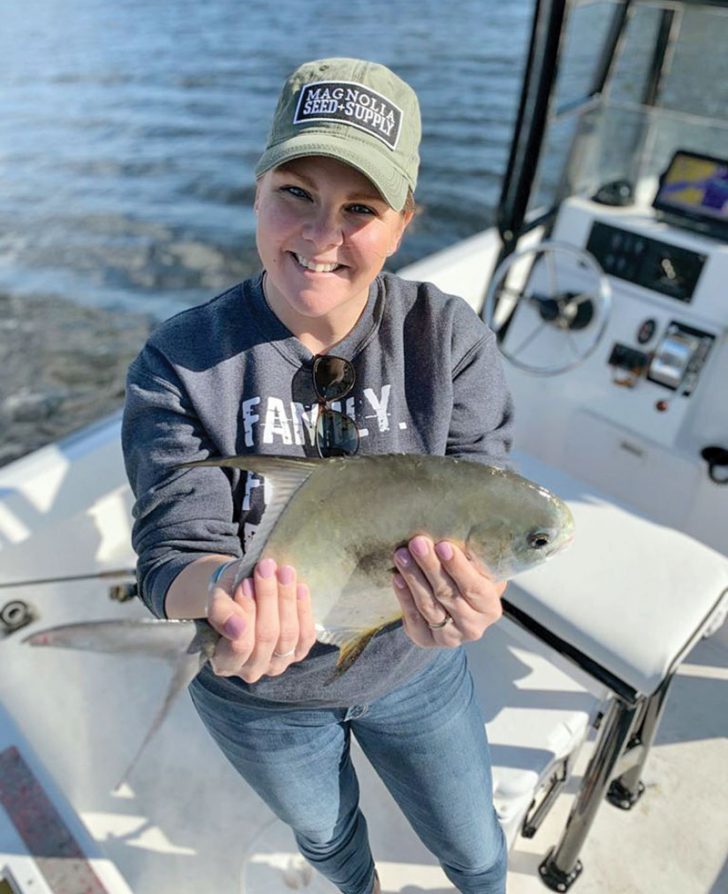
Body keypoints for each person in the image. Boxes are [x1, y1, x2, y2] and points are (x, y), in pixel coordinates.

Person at [122, 57, 513, 894]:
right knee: (327, 835)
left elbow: (483, 490)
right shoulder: (179, 362)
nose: (321, 235)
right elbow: (172, 547)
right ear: (257, 192)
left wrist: (474, 596)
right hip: (257, 694)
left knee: (475, 842)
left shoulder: (447, 338)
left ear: (403, 224)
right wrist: (224, 596)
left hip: (416, 670)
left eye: (360, 209)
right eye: (295, 193)